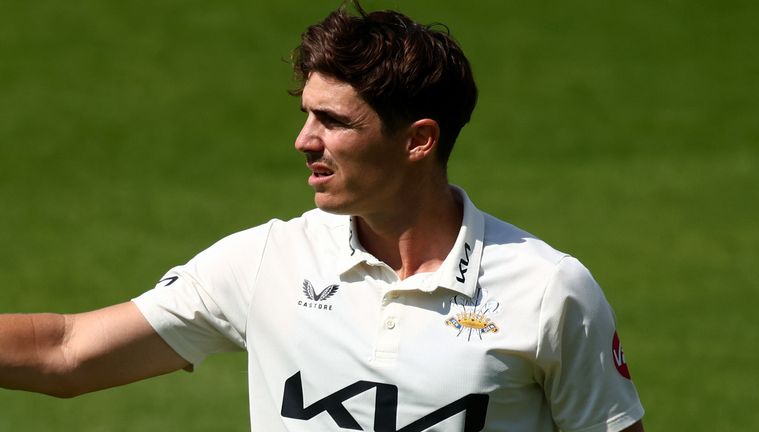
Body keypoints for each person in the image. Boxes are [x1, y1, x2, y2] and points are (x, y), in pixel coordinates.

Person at [0, 1, 644, 431]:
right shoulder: (264, 264)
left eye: (334, 121)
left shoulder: (548, 291)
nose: (304, 140)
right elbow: (67, 353)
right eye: (307, 114)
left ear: (418, 140)